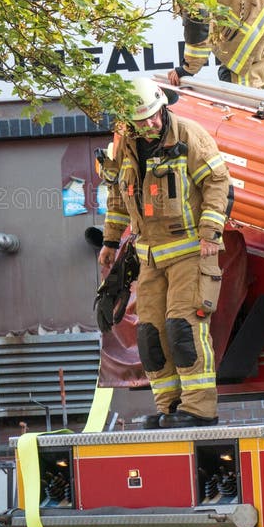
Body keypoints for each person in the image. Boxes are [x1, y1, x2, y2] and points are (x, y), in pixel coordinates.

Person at [98, 77, 230, 428]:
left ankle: (200, 409)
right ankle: (170, 408)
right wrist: (111, 242)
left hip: (191, 251)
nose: (152, 123)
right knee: (151, 335)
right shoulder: (124, 146)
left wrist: (210, 233)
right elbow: (117, 198)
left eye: (155, 115)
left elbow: (218, 183)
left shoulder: (189, 135)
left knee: (183, 328)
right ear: (127, 123)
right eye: (143, 120)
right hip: (150, 258)